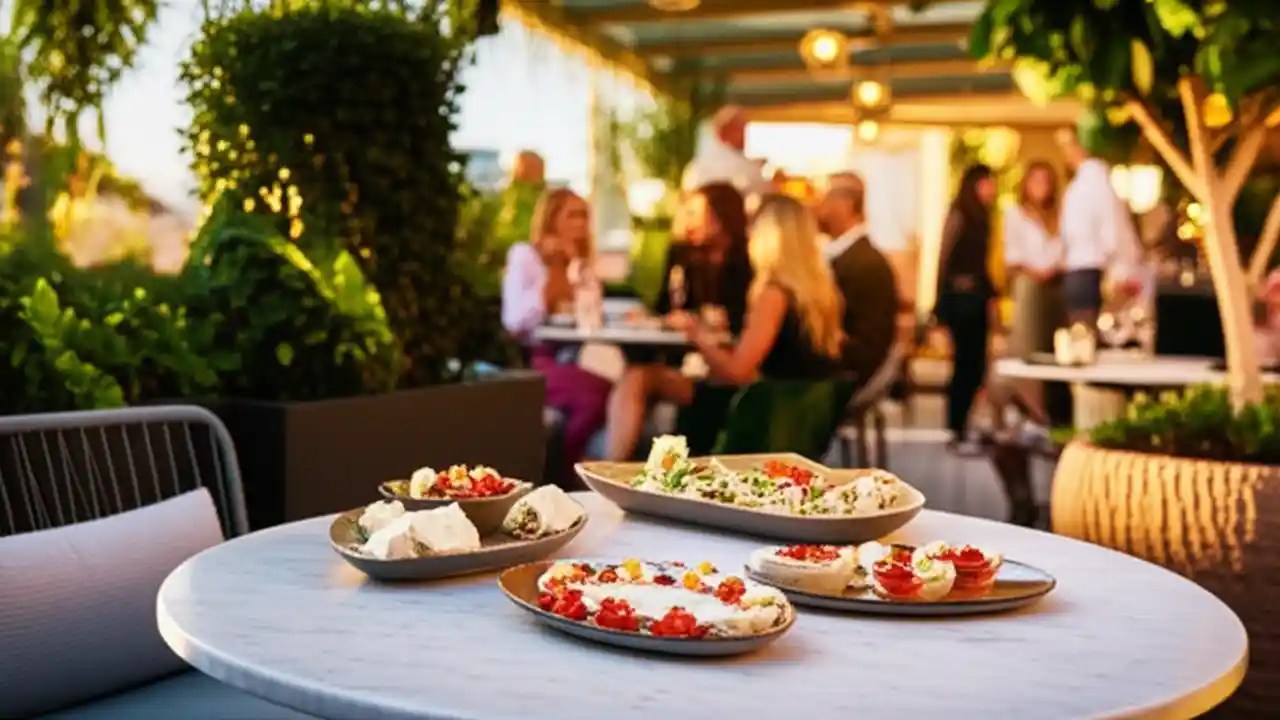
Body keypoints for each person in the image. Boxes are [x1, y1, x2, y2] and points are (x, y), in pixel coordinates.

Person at [604, 194, 845, 461]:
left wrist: (696, 335)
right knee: (647, 379)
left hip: (758, 414)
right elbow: (785, 356)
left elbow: (738, 373)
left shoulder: (774, 293)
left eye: (754, 228)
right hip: (792, 412)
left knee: (640, 378)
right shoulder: (821, 294)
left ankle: (613, 466)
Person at [501, 188, 611, 479]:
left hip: (578, 354)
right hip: (534, 358)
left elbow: (591, 314)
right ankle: (564, 475)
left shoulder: (584, 262)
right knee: (594, 396)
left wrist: (574, 266)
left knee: (612, 388)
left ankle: (575, 470)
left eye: (584, 215)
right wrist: (553, 269)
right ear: (552, 219)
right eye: (572, 215)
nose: (580, 223)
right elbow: (514, 321)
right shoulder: (525, 255)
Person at [814, 172, 899, 386]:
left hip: (845, 377)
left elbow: (867, 344)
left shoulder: (865, 264)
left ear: (846, 204)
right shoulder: (845, 257)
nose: (817, 206)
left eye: (824, 197)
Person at [936, 165, 997, 454]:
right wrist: (941, 309)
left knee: (976, 367)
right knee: (963, 366)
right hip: (961, 303)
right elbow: (944, 260)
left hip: (978, 301)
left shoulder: (983, 218)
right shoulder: (960, 214)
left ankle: (964, 426)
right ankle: (955, 427)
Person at [1056, 128, 1143, 325]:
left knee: (1084, 328)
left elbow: (1110, 228)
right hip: (1078, 266)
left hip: (1090, 267)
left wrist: (1119, 269)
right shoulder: (1082, 182)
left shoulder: (1095, 180)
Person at [1003, 161, 1067, 422]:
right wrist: (1034, 271)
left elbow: (1065, 248)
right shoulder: (1015, 214)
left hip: (1056, 284)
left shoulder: (1060, 216)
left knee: (1053, 347)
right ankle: (1031, 406)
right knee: (1028, 343)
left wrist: (1053, 268)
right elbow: (1012, 254)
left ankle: (1052, 408)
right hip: (1030, 283)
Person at [655, 183, 753, 333]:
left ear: (721, 217)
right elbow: (664, 307)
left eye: (694, 214)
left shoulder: (748, 259)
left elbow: (745, 315)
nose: (689, 224)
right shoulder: (681, 255)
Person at [681, 106, 770, 197]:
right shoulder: (741, 168)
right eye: (740, 129)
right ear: (725, 131)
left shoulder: (694, 168)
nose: (745, 135)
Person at [494, 150, 547, 255]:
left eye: (536, 166)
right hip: (505, 249)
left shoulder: (547, 198)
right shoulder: (504, 195)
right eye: (528, 166)